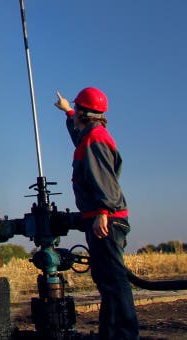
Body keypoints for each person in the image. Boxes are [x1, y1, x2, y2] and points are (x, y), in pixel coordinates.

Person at [54, 87, 139, 339]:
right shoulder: (90, 135)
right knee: (107, 282)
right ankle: (110, 334)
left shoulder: (95, 139)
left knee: (114, 282)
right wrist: (67, 110)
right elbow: (77, 135)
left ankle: (124, 335)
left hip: (106, 221)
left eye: (77, 109)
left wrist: (103, 210)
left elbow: (104, 179)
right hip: (102, 219)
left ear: (84, 113)